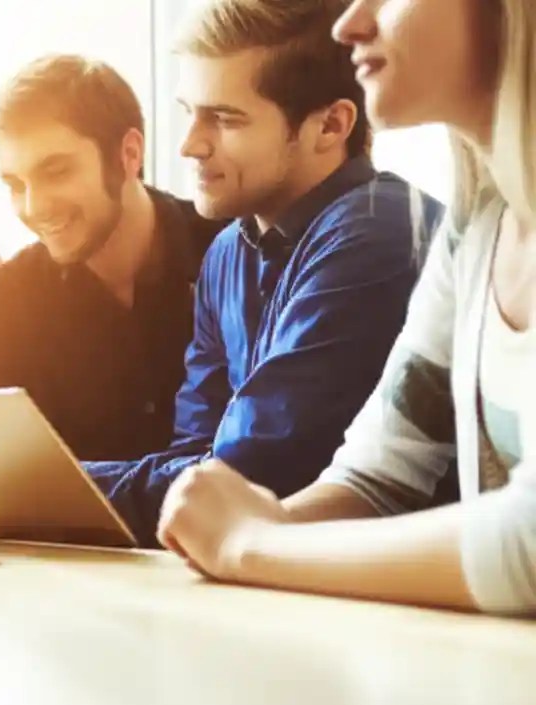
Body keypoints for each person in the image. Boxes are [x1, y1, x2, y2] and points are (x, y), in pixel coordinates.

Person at [159, 0, 536, 615]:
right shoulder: (478, 226)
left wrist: (249, 544)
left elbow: (530, 542)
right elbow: (377, 477)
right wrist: (249, 532)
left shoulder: (376, 228)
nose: (351, 24)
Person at [84, 0, 444, 544]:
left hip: (387, 593)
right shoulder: (226, 252)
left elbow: (256, 469)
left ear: (331, 126)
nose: (190, 145)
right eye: (189, 112)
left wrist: (49, 490)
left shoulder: (378, 231)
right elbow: (196, 461)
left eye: (224, 119)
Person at [0, 55, 226, 460]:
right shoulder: (16, 290)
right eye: (15, 184)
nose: (34, 206)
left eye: (56, 172)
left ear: (128, 154)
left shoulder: (230, 250)